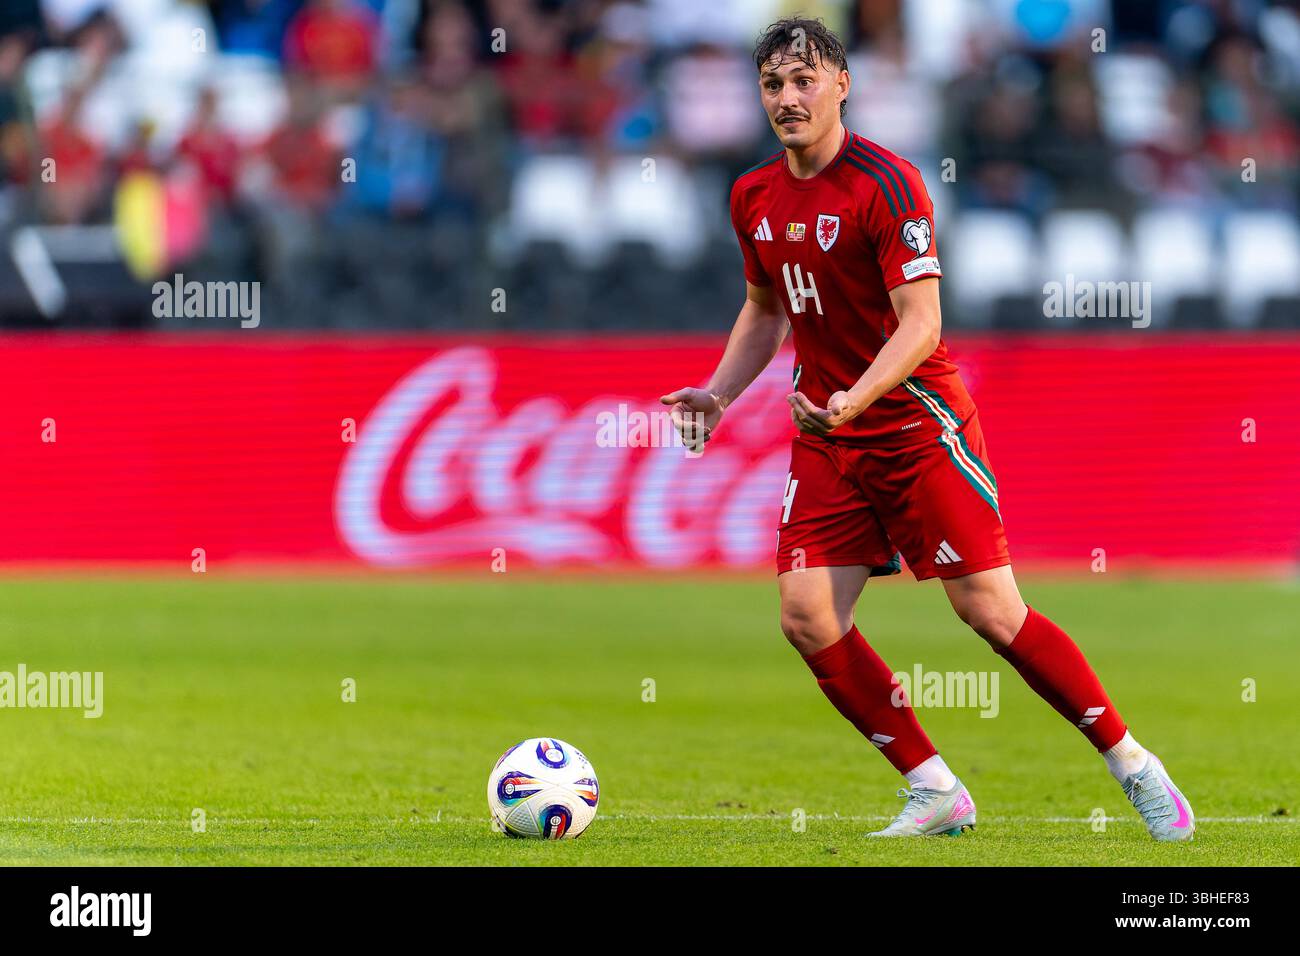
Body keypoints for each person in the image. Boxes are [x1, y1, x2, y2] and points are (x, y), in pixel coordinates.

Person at [660, 17, 1194, 840]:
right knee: (807, 615)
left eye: (804, 81)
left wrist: (856, 397)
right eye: (773, 85)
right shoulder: (753, 195)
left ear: (842, 85)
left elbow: (921, 325)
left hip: (916, 424)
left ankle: (1133, 764)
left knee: (990, 612)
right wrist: (719, 395)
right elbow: (767, 309)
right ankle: (933, 786)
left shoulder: (889, 183)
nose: (788, 99)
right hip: (831, 433)